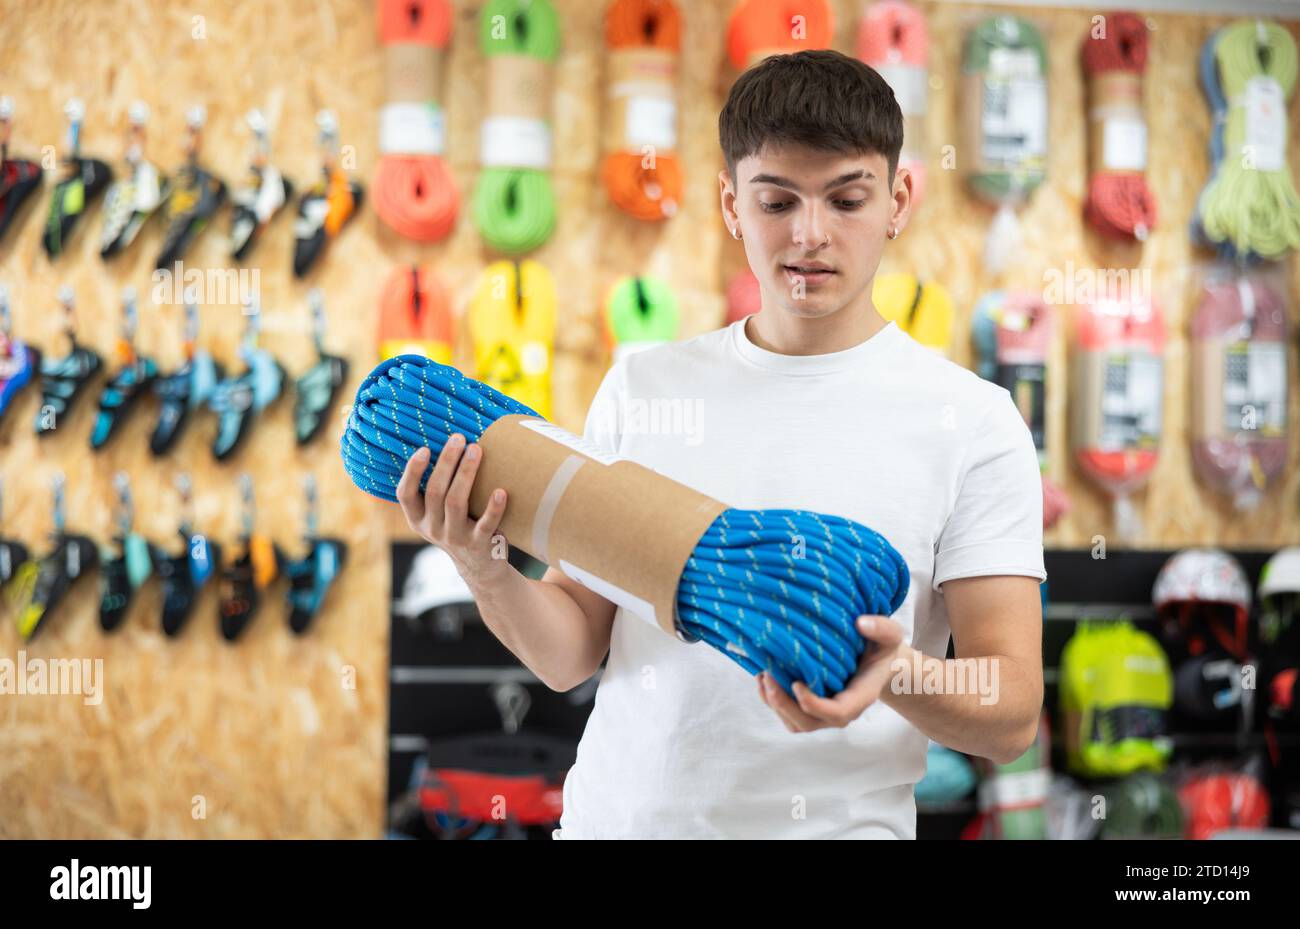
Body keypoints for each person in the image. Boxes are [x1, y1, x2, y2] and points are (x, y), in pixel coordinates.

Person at [395, 49, 1045, 839]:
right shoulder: (645, 389)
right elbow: (570, 648)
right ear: (731, 204)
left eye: (847, 199)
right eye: (777, 201)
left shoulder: (973, 422)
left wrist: (891, 672)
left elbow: (1010, 711)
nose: (810, 235)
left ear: (899, 197)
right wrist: (482, 565)